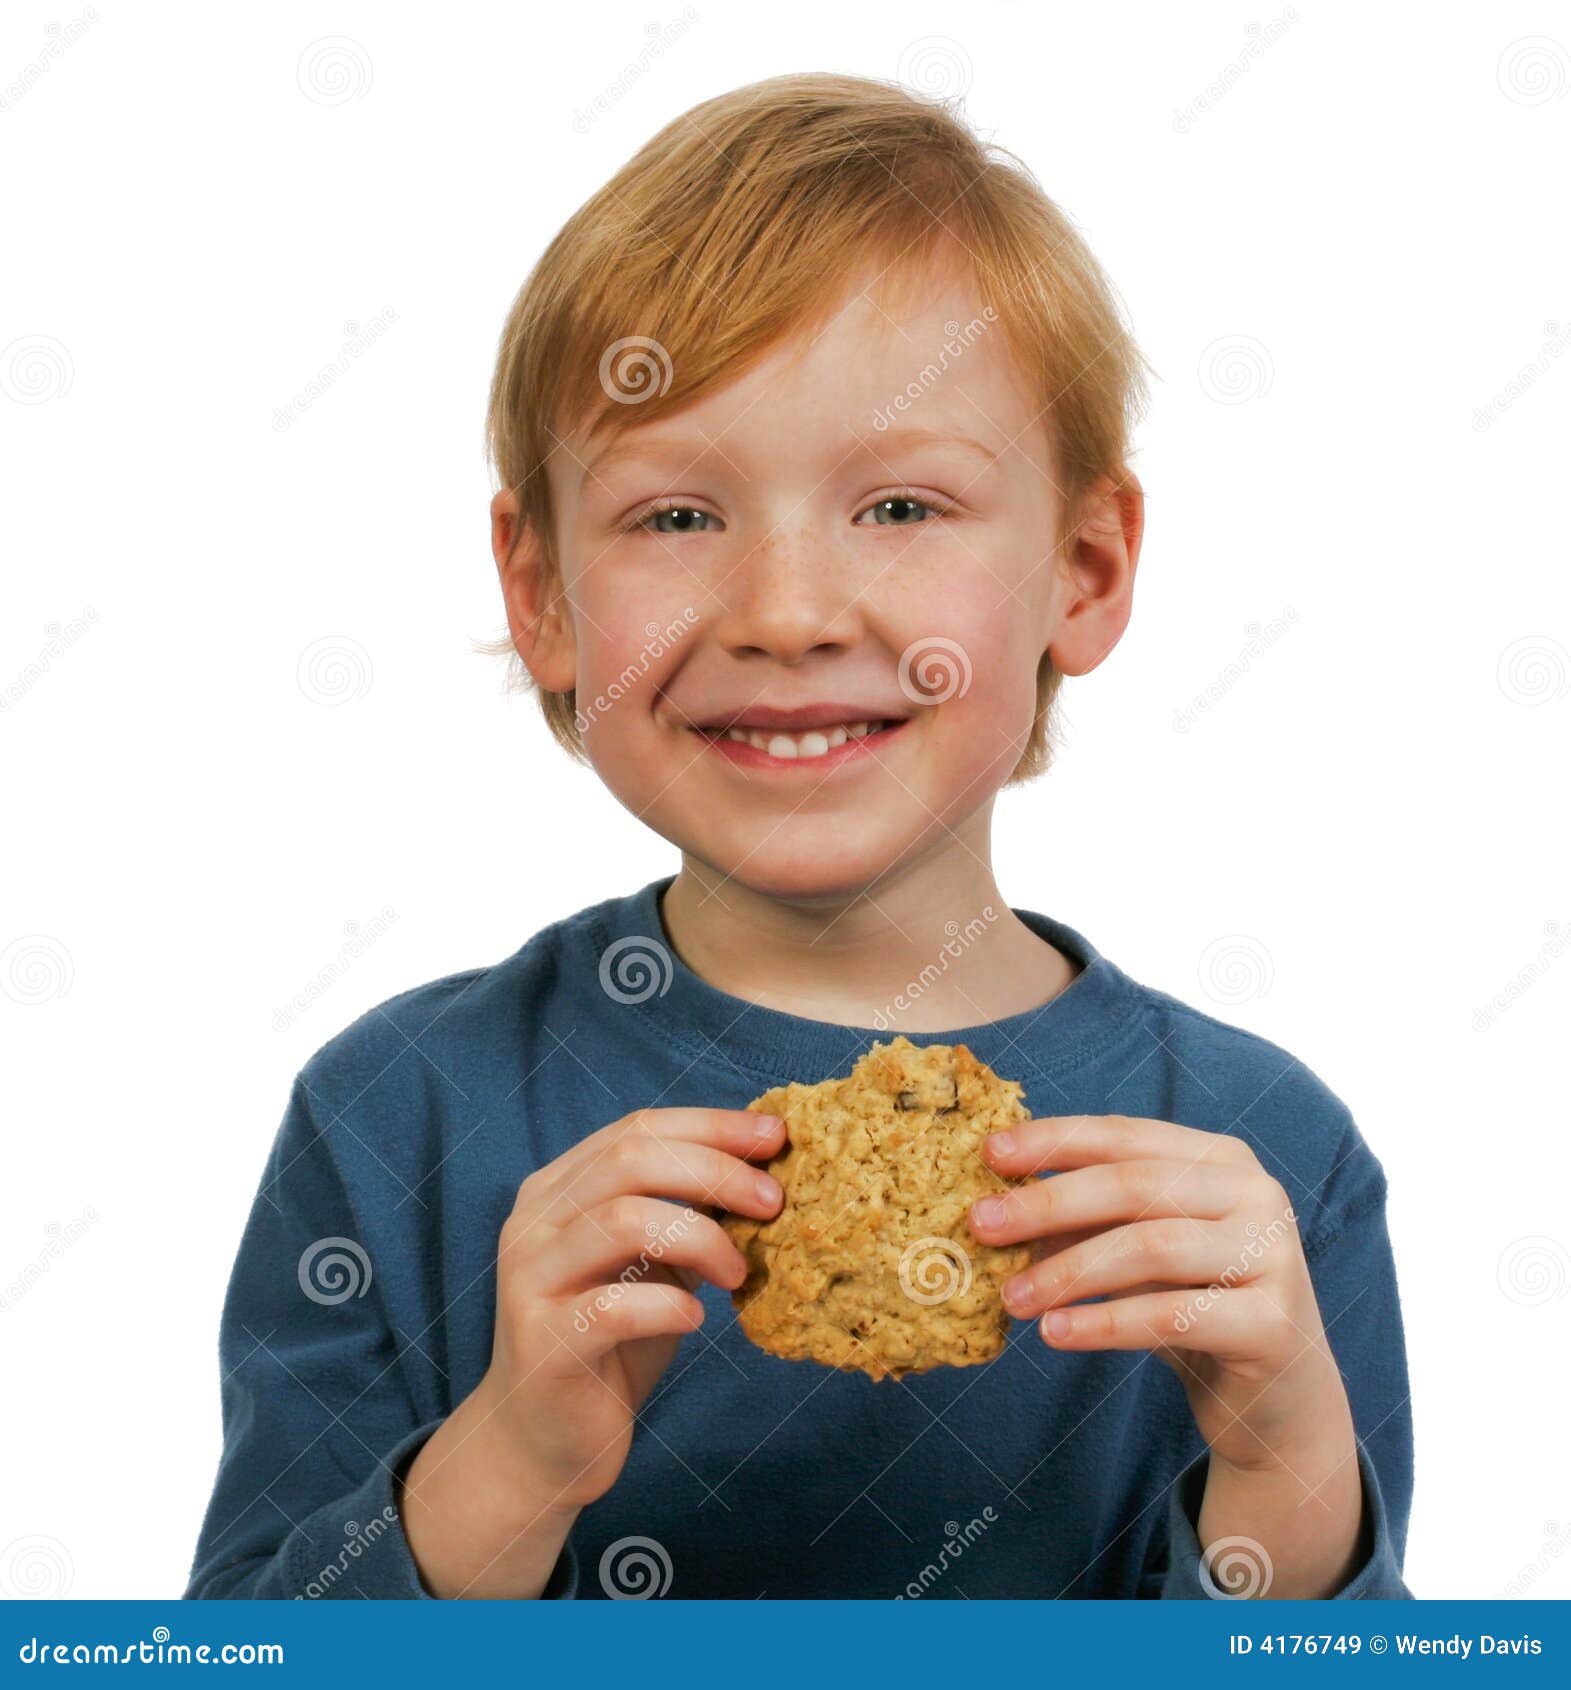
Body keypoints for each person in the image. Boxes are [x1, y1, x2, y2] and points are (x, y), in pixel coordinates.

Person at [186, 71, 1412, 1601]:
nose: (786, 613)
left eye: (900, 507)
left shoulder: (1263, 1164)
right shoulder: (398, 1117)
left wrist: (1289, 1466)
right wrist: (507, 1465)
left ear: (1085, 569)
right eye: (677, 518)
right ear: (545, 591)